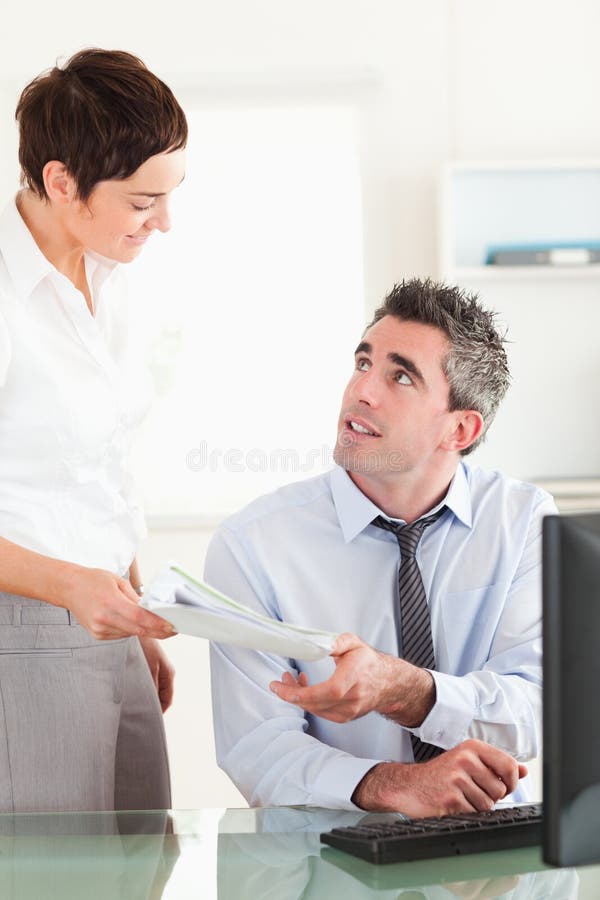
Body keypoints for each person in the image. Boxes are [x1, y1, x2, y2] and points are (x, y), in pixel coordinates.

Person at [207, 278, 557, 814]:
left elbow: (542, 708)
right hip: (334, 865)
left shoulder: (524, 522)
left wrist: (407, 691)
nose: (363, 391)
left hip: (500, 865)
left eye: (401, 376)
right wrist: (395, 784)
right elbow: (257, 749)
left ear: (460, 429)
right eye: (363, 363)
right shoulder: (254, 545)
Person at [0, 48, 188, 812]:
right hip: (27, 619)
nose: (164, 222)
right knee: (55, 878)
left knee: (145, 863)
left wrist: (131, 607)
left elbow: (95, 470)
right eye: (144, 202)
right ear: (60, 181)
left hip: (105, 616)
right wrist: (77, 587)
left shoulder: (112, 285)